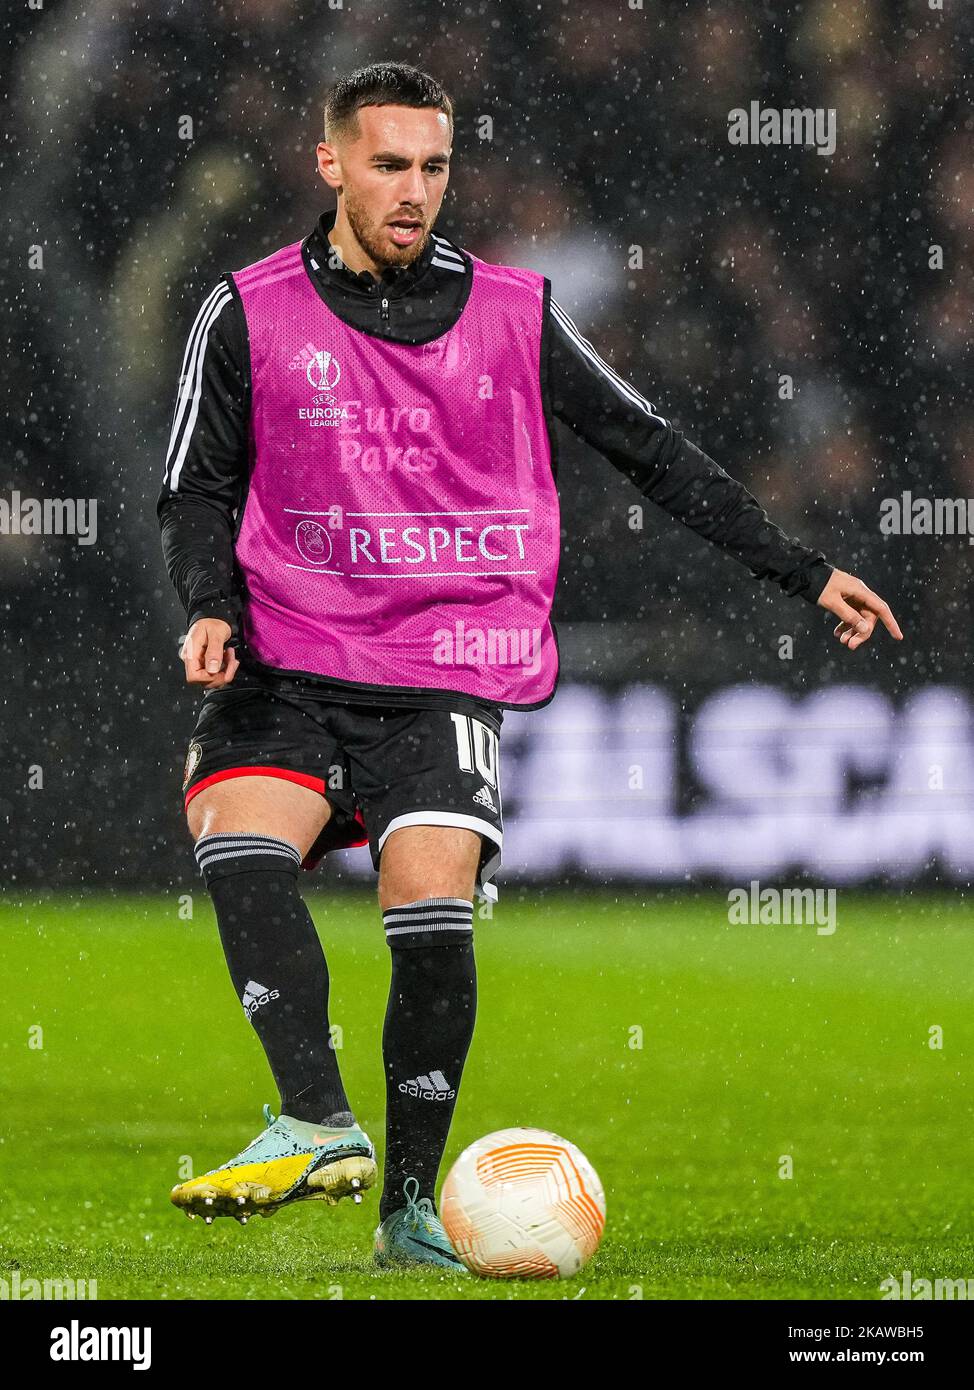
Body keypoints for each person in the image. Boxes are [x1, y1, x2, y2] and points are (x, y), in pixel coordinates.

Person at [157, 62, 902, 1271]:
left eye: (433, 168)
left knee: (430, 905)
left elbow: (645, 445)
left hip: (447, 648)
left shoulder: (510, 310)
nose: (412, 193)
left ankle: (405, 1207)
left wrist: (800, 570)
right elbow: (193, 483)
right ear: (329, 162)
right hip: (287, 642)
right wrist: (209, 605)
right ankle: (313, 1116)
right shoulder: (245, 309)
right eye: (388, 165)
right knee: (241, 844)